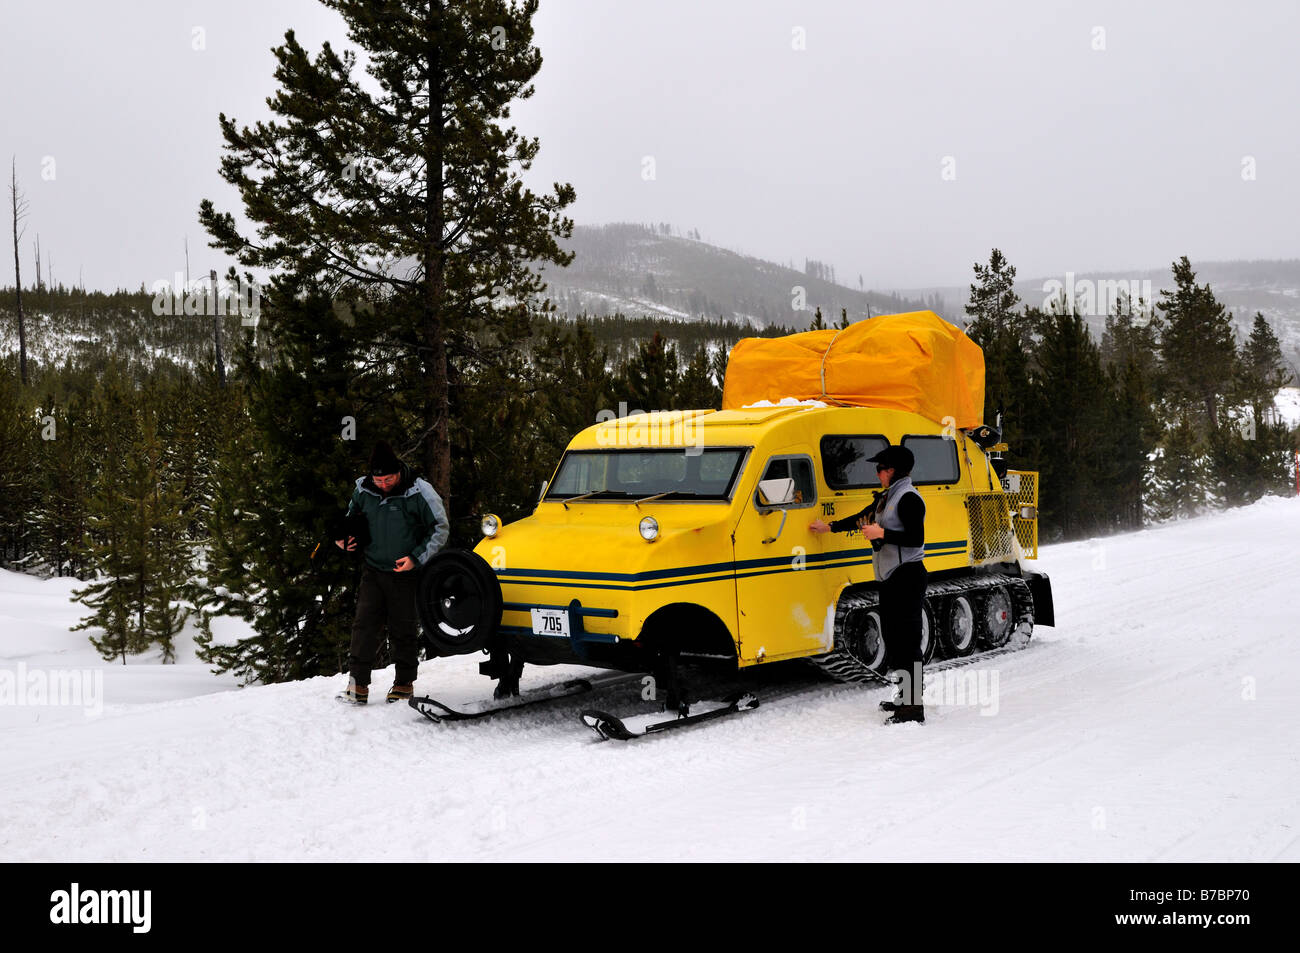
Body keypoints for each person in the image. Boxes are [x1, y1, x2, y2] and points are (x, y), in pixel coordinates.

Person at [810, 445, 927, 724]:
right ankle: (903, 697)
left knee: (907, 642)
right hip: (889, 578)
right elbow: (862, 518)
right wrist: (830, 527)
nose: (877, 474)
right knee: (893, 639)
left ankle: (913, 708)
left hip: (907, 576)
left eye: (880, 469)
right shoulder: (886, 498)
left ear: (892, 471)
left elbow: (915, 537)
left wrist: (882, 533)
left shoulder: (909, 498)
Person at [336, 440, 449, 704]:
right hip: (373, 568)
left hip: (405, 571)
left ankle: (403, 683)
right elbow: (350, 519)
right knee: (363, 625)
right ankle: (357, 685)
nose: (384, 484)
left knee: (403, 628)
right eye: (379, 479)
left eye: (388, 479)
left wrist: (415, 558)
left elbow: (440, 528)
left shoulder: (419, 491)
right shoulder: (363, 489)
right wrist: (344, 539)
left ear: (398, 472)